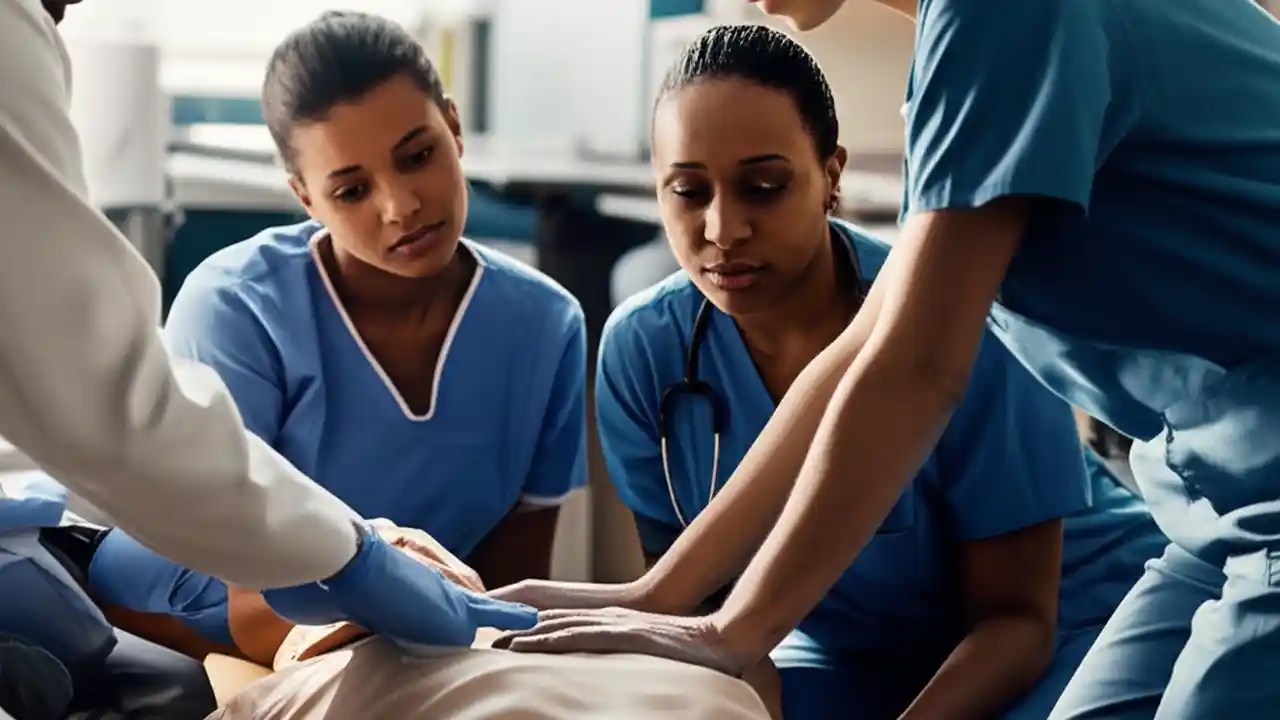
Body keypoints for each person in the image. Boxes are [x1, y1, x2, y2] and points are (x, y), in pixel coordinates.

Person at [493, 1, 1280, 717]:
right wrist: (658, 596)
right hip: (1214, 509)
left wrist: (735, 628)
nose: (723, 228)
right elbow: (866, 346)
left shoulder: (1005, 17)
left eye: (764, 185)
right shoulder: (963, 44)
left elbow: (915, 367)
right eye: (689, 191)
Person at [0, 0, 537, 659]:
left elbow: (519, 606)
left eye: (417, 154)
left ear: (454, 127)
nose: (401, 208)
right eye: (350, 189)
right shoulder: (241, 304)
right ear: (304, 197)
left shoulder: (542, 321)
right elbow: (112, 408)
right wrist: (356, 560)